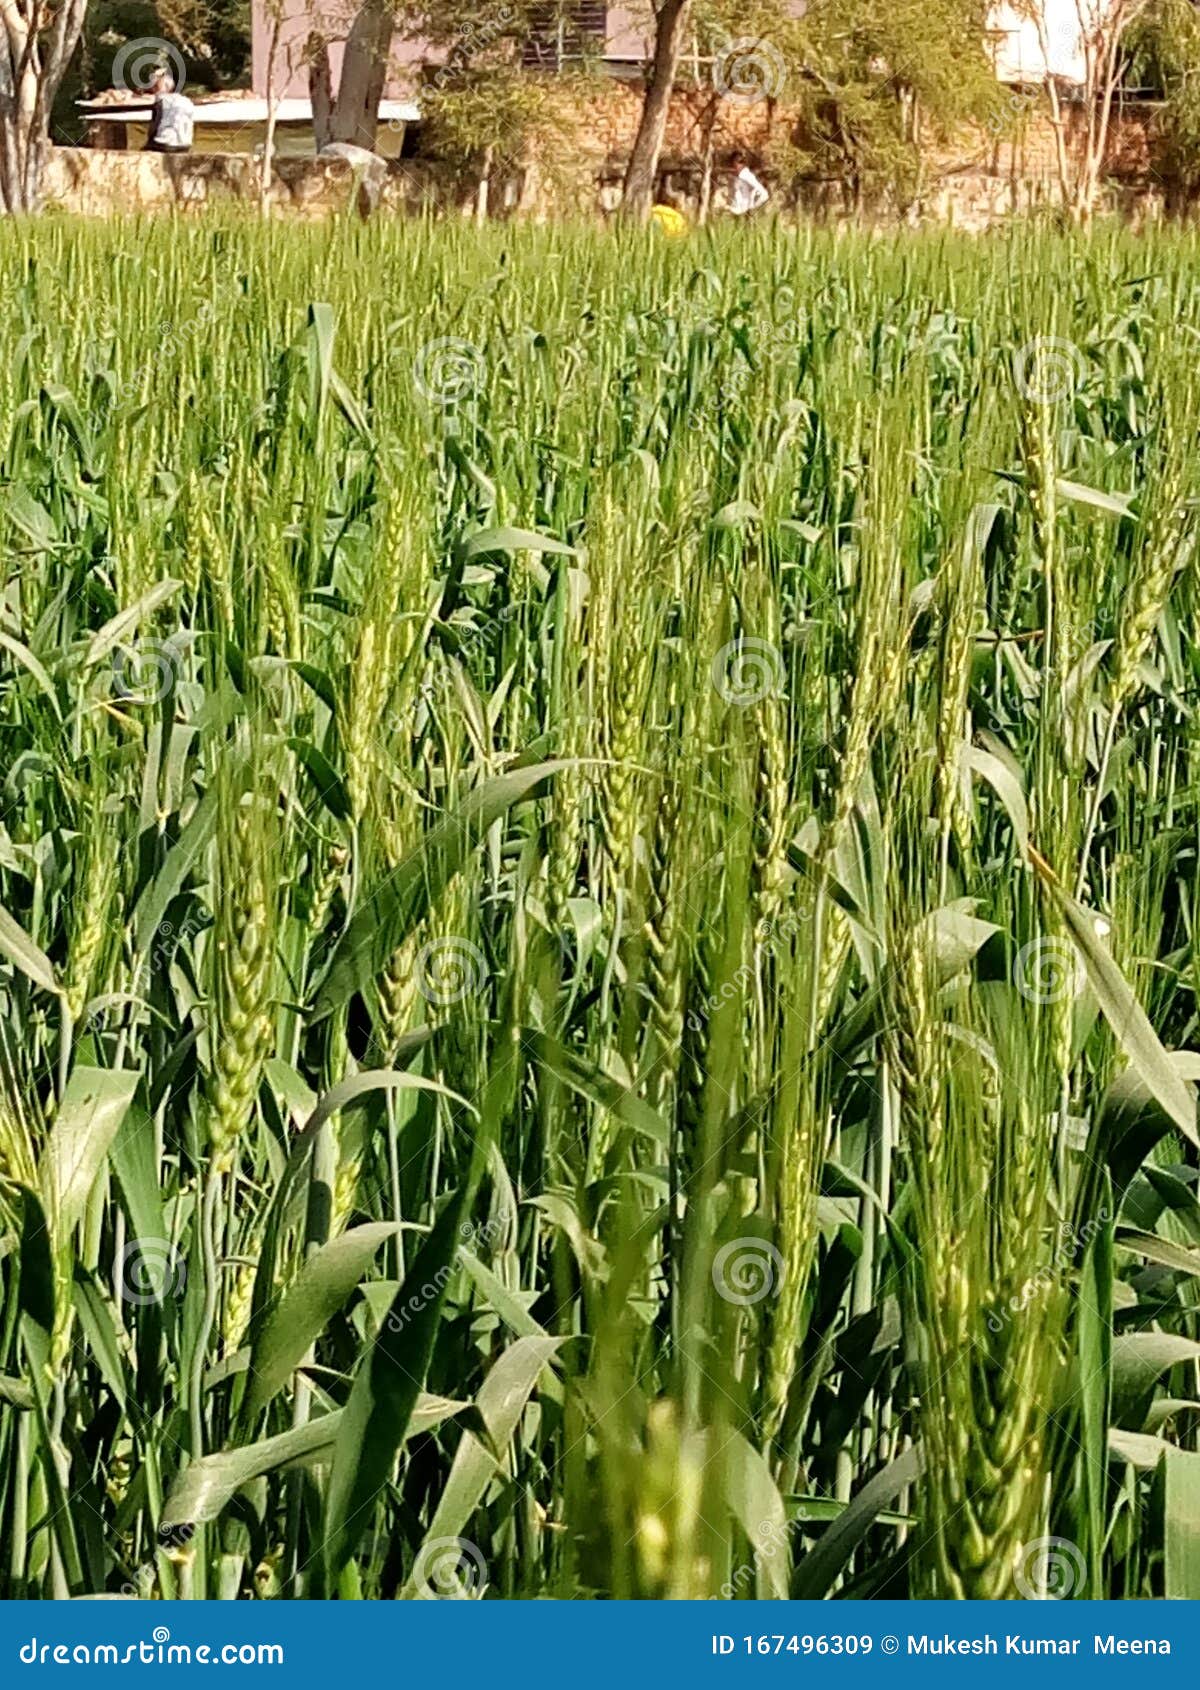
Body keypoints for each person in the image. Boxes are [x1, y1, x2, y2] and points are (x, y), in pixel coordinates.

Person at [145, 69, 195, 156]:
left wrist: (149, 143)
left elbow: (155, 125)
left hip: (166, 143)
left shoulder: (161, 100)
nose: (153, 90)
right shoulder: (187, 101)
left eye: (155, 86)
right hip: (186, 144)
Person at [727, 153, 769, 217]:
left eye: (741, 161)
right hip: (736, 210)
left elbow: (764, 194)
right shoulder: (738, 176)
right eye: (739, 162)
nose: (739, 164)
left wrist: (752, 205)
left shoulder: (746, 175)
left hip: (742, 211)